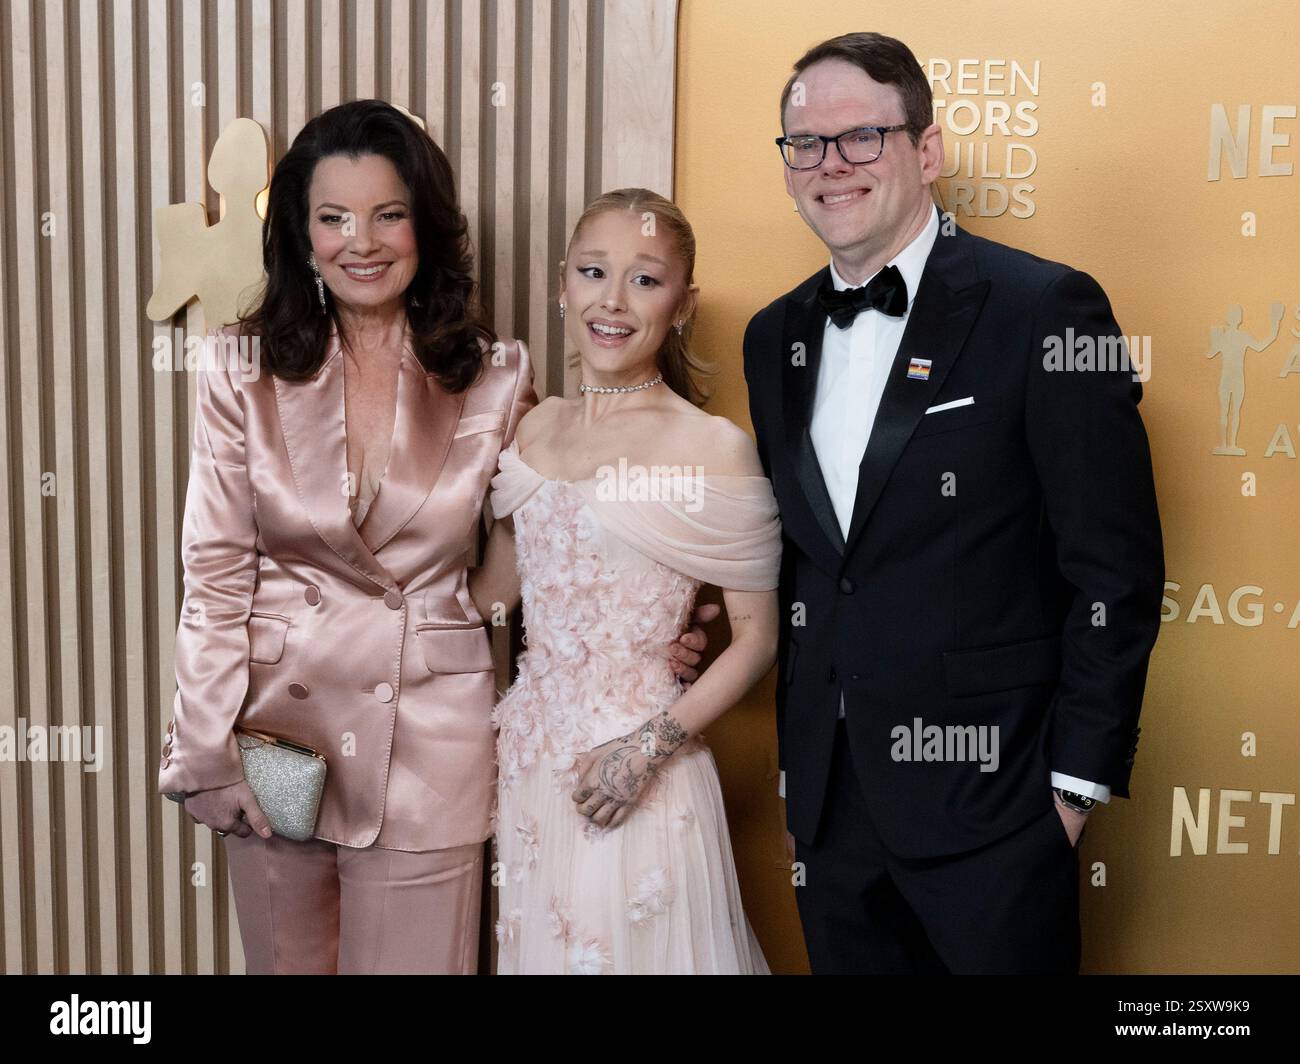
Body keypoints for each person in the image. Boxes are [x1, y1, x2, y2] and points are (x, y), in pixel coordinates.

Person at [156, 101, 711, 974]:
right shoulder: (242, 369)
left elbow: (561, 530)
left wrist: (679, 624)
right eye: (332, 218)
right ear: (303, 235)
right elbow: (215, 576)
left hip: (429, 747)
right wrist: (206, 756)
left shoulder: (497, 375)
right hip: (275, 745)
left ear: (425, 226)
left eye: (388, 215)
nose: (361, 242)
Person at [742, 33, 1164, 973]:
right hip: (831, 814)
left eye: (861, 138)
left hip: (999, 809)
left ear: (925, 152)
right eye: (804, 144)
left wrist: (1072, 793)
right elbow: (811, 559)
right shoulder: (774, 335)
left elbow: (1114, 566)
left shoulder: (1044, 307)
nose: (829, 166)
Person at [471, 189, 780, 974]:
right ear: (563, 285)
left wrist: (644, 750)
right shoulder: (534, 426)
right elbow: (495, 593)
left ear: (684, 305)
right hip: (531, 768)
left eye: (645, 280)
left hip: (640, 774)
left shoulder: (713, 447)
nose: (612, 301)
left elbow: (756, 638)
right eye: (593, 271)